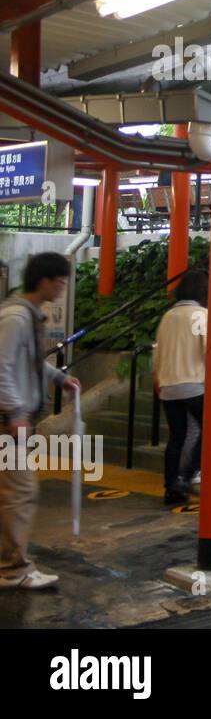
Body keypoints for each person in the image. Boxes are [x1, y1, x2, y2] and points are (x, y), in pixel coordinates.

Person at [0, 253, 80, 590]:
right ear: (44, 280)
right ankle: (13, 569)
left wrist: (58, 378)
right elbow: (1, 366)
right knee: (19, 492)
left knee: (13, 492)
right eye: (60, 281)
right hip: (9, 421)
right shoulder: (17, 318)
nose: (63, 288)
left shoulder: (26, 316)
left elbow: (28, 362)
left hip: (13, 417)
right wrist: (14, 413)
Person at [153, 270, 208, 506]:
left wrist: (159, 378)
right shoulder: (200, 315)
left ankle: (170, 487)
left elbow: (157, 352)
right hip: (193, 384)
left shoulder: (169, 316)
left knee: (176, 436)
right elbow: (209, 350)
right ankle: (188, 475)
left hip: (167, 386)